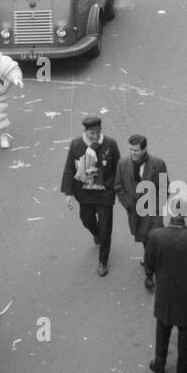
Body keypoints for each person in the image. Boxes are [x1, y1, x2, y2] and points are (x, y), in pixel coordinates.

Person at [144, 194, 187, 373]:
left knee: (162, 328)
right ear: (185, 215)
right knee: (185, 330)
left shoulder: (156, 236)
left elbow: (148, 263)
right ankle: (183, 367)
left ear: (170, 213)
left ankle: (159, 363)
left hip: (165, 291)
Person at [61, 115, 121, 276]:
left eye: (97, 132)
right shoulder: (76, 145)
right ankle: (96, 234)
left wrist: (118, 189)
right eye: (91, 133)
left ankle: (103, 262)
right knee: (86, 219)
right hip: (84, 192)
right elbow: (69, 169)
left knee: (106, 227)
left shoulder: (110, 144)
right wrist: (68, 193)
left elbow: (118, 167)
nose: (95, 136)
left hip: (105, 192)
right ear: (85, 131)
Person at [114, 134, 169, 288]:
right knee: (146, 240)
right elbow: (118, 186)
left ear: (145, 149)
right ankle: (151, 260)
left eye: (136, 150)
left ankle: (149, 274)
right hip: (135, 212)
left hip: (153, 211)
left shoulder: (158, 164)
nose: (133, 153)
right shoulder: (123, 164)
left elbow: (164, 187)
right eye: (131, 150)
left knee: (152, 239)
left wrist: (157, 206)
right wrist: (129, 204)